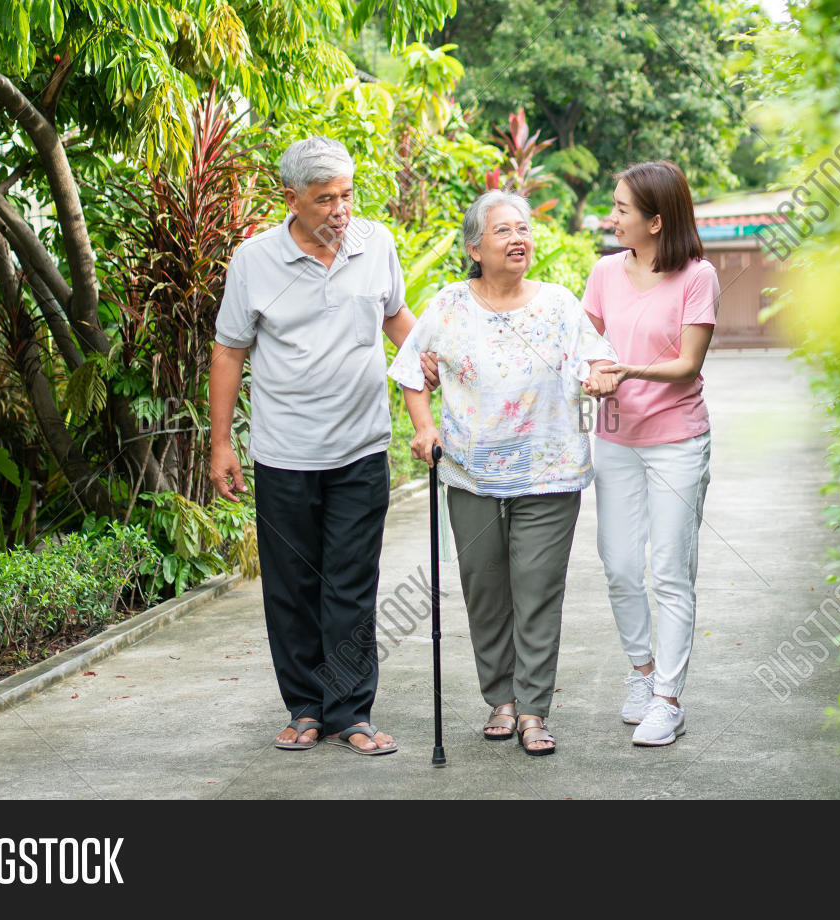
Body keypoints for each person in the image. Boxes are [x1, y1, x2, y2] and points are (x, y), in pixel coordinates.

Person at [391, 190, 616, 756]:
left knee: (537, 591)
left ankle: (535, 709)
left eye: (523, 228)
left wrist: (601, 380)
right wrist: (424, 430)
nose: (519, 238)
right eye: (503, 231)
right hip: (471, 473)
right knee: (484, 590)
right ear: (475, 247)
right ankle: (502, 699)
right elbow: (411, 373)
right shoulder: (448, 306)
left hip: (550, 473)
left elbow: (600, 358)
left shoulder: (560, 305)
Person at [210, 136, 414, 756]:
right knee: (291, 585)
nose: (340, 209)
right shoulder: (253, 261)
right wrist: (221, 443)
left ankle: (351, 711)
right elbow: (228, 350)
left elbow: (398, 321)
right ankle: (304, 707)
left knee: (351, 584)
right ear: (290, 198)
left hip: (361, 448)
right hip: (284, 454)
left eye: (347, 195)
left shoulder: (376, 245)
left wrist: (438, 373)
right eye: (325, 199)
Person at [580, 160, 718, 747]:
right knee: (618, 565)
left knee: (669, 569)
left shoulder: (697, 276)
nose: (611, 218)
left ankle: (667, 696)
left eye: (621, 210)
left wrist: (624, 370)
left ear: (656, 221)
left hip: (677, 441)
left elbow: (688, 365)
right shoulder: (604, 273)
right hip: (615, 439)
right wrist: (593, 370)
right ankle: (640, 673)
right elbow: (584, 345)